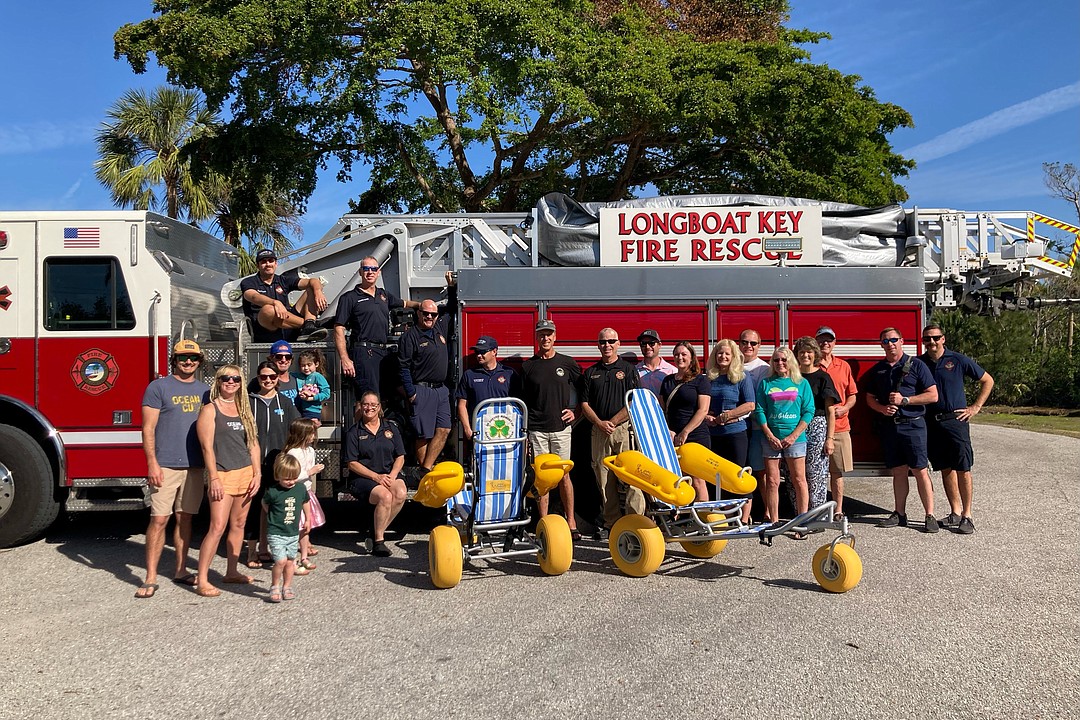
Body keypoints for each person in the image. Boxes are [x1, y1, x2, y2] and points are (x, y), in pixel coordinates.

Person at [135, 339, 211, 598]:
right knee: (158, 520)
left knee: (185, 517)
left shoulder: (206, 391)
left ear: (200, 361)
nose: (187, 362)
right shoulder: (158, 387)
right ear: (174, 361)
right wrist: (152, 463)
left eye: (192, 358)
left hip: (195, 466)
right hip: (165, 464)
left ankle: (180, 570)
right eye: (182, 358)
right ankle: (150, 577)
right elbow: (147, 428)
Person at [194, 365, 262, 597]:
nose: (231, 382)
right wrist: (213, 477)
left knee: (239, 525)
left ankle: (231, 572)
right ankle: (202, 579)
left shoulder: (244, 409)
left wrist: (257, 473)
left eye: (235, 379)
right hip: (222, 475)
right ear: (218, 381)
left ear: (241, 383)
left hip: (245, 474)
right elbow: (206, 448)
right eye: (226, 378)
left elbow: (252, 443)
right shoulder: (210, 410)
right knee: (217, 527)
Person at [920, 322, 994, 534]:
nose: (932, 342)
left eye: (935, 337)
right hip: (932, 423)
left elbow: (987, 380)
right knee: (945, 468)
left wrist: (975, 407)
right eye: (927, 339)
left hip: (956, 421)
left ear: (943, 339)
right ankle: (954, 512)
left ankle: (967, 516)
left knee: (963, 468)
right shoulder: (919, 363)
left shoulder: (957, 360)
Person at [865, 327, 940, 533]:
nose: (890, 344)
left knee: (920, 471)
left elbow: (933, 395)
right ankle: (900, 514)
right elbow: (869, 397)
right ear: (881, 345)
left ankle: (929, 515)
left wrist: (905, 400)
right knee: (898, 472)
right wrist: (882, 409)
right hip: (890, 428)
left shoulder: (917, 365)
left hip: (914, 425)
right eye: (885, 341)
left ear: (902, 341)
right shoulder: (878, 369)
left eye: (893, 340)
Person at [520, 319, 583, 539]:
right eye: (541, 335)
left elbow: (585, 390)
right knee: (542, 477)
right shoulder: (528, 367)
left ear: (555, 337)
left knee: (565, 476)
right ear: (536, 338)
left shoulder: (567, 363)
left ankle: (571, 522)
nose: (545, 338)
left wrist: (576, 411)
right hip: (536, 430)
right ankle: (544, 524)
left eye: (549, 334)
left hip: (561, 429)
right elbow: (522, 400)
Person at [579, 328, 643, 538]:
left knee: (632, 478)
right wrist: (599, 423)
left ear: (619, 343)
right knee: (604, 480)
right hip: (599, 432)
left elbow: (634, 400)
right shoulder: (590, 372)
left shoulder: (629, 369)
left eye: (611, 341)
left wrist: (613, 422)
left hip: (623, 430)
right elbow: (584, 403)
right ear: (598, 345)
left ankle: (636, 523)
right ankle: (612, 525)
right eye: (603, 342)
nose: (607, 345)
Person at [333, 256, 420, 398]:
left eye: (374, 269)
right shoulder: (349, 298)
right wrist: (345, 358)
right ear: (360, 272)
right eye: (366, 269)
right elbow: (339, 328)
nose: (370, 272)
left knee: (389, 394)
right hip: (364, 352)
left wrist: (420, 305)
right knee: (367, 398)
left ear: (378, 272)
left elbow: (404, 303)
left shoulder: (383, 295)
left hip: (383, 352)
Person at [752, 346, 814, 536]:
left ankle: (802, 521)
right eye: (776, 360)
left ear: (791, 362)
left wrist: (794, 435)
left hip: (795, 439)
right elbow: (759, 410)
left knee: (799, 479)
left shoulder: (801, 383)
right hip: (771, 439)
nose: (780, 363)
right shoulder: (765, 383)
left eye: (784, 360)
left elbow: (808, 411)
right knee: (771, 481)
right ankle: (775, 521)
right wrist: (769, 434)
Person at [245, 359, 300, 569]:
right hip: (253, 465)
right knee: (252, 508)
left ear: (278, 379)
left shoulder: (285, 402)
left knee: (275, 509)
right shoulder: (249, 402)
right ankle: (251, 551)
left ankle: (269, 549)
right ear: (258, 379)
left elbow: (295, 430)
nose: (268, 380)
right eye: (263, 376)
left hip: (278, 467)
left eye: (272, 376)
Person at [344, 392, 407, 557]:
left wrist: (393, 475)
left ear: (379, 407)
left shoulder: (391, 428)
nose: (369, 408)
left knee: (400, 493)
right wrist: (375, 477)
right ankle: (379, 541)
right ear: (360, 406)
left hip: (387, 474)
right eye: (365, 404)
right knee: (385, 497)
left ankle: (375, 530)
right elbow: (351, 463)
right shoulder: (354, 432)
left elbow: (400, 456)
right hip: (363, 478)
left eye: (373, 404)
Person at [703, 339, 755, 518]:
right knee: (717, 476)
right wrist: (707, 416)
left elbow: (750, 404)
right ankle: (722, 515)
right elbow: (703, 404)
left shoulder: (742, 376)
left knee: (738, 474)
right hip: (713, 434)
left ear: (733, 356)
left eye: (727, 354)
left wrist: (729, 415)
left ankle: (744, 518)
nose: (723, 357)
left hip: (736, 434)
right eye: (719, 353)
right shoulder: (709, 377)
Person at [398, 298, 452, 470]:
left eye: (433, 314)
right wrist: (411, 393)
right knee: (423, 435)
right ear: (418, 313)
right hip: (422, 390)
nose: (429, 316)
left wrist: (452, 287)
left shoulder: (439, 329)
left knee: (444, 429)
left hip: (441, 390)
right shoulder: (410, 337)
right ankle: (425, 471)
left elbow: (451, 309)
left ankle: (425, 469)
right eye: (425, 313)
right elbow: (403, 367)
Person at [239, 248, 328, 343]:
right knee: (269, 310)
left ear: (276, 264)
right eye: (264, 262)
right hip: (266, 330)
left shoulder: (282, 280)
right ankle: (310, 326)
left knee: (312, 287)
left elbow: (313, 281)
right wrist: (275, 303)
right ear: (258, 265)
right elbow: (252, 296)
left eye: (271, 261)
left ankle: (309, 324)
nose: (268, 264)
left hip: (288, 324)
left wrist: (318, 292)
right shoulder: (249, 282)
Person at [659, 341, 712, 502]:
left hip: (696, 435)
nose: (679, 357)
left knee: (697, 480)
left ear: (691, 358)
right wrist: (668, 430)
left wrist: (686, 431)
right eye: (676, 354)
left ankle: (704, 518)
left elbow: (703, 410)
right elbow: (662, 410)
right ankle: (685, 517)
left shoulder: (700, 381)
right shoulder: (667, 381)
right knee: (679, 478)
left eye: (684, 354)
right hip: (673, 437)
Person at [816, 326, 858, 521]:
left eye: (829, 340)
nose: (826, 343)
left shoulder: (844, 366)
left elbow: (852, 395)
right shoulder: (809, 365)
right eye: (822, 340)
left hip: (840, 427)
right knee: (815, 471)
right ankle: (818, 508)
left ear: (834, 342)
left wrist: (846, 408)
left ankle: (838, 510)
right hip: (815, 426)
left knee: (836, 472)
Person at [793, 336, 839, 511]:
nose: (805, 355)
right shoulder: (791, 377)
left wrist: (830, 439)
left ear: (815, 354)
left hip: (816, 427)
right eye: (801, 352)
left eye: (809, 352)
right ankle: (799, 513)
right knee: (794, 475)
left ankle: (816, 515)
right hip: (793, 427)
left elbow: (830, 411)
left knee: (815, 474)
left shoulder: (823, 377)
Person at [262, 453, 310, 603]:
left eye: (294, 478)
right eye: (287, 479)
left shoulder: (300, 489)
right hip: (276, 532)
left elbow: (305, 502)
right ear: (278, 476)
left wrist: (308, 519)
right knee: (280, 561)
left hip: (292, 532)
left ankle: (287, 586)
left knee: (290, 561)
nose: (291, 482)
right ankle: (275, 585)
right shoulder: (273, 491)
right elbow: (265, 503)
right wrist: (272, 516)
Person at [456, 335, 519, 439]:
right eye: (477, 352)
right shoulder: (470, 374)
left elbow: (520, 405)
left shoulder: (509, 374)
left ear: (494, 351)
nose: (479, 355)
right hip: (479, 431)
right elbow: (462, 404)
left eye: (483, 352)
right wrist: (467, 429)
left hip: (506, 431)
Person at [283, 418, 327, 569]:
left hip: (306, 492)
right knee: (295, 527)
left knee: (306, 526)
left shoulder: (310, 450)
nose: (313, 436)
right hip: (294, 493)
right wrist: (310, 471)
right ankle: (292, 559)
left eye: (314, 433)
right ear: (301, 434)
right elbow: (292, 475)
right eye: (310, 433)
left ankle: (304, 556)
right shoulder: (293, 452)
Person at [293, 348, 331, 425]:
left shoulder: (318, 376)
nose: (306, 368)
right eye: (303, 365)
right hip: (299, 409)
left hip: (313, 410)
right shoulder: (298, 376)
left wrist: (313, 398)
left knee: (309, 431)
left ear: (316, 364)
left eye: (309, 365)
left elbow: (326, 393)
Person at [635, 329, 676, 397]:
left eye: (652, 343)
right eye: (643, 343)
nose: (647, 347)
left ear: (659, 345)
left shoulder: (672, 371)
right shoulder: (634, 371)